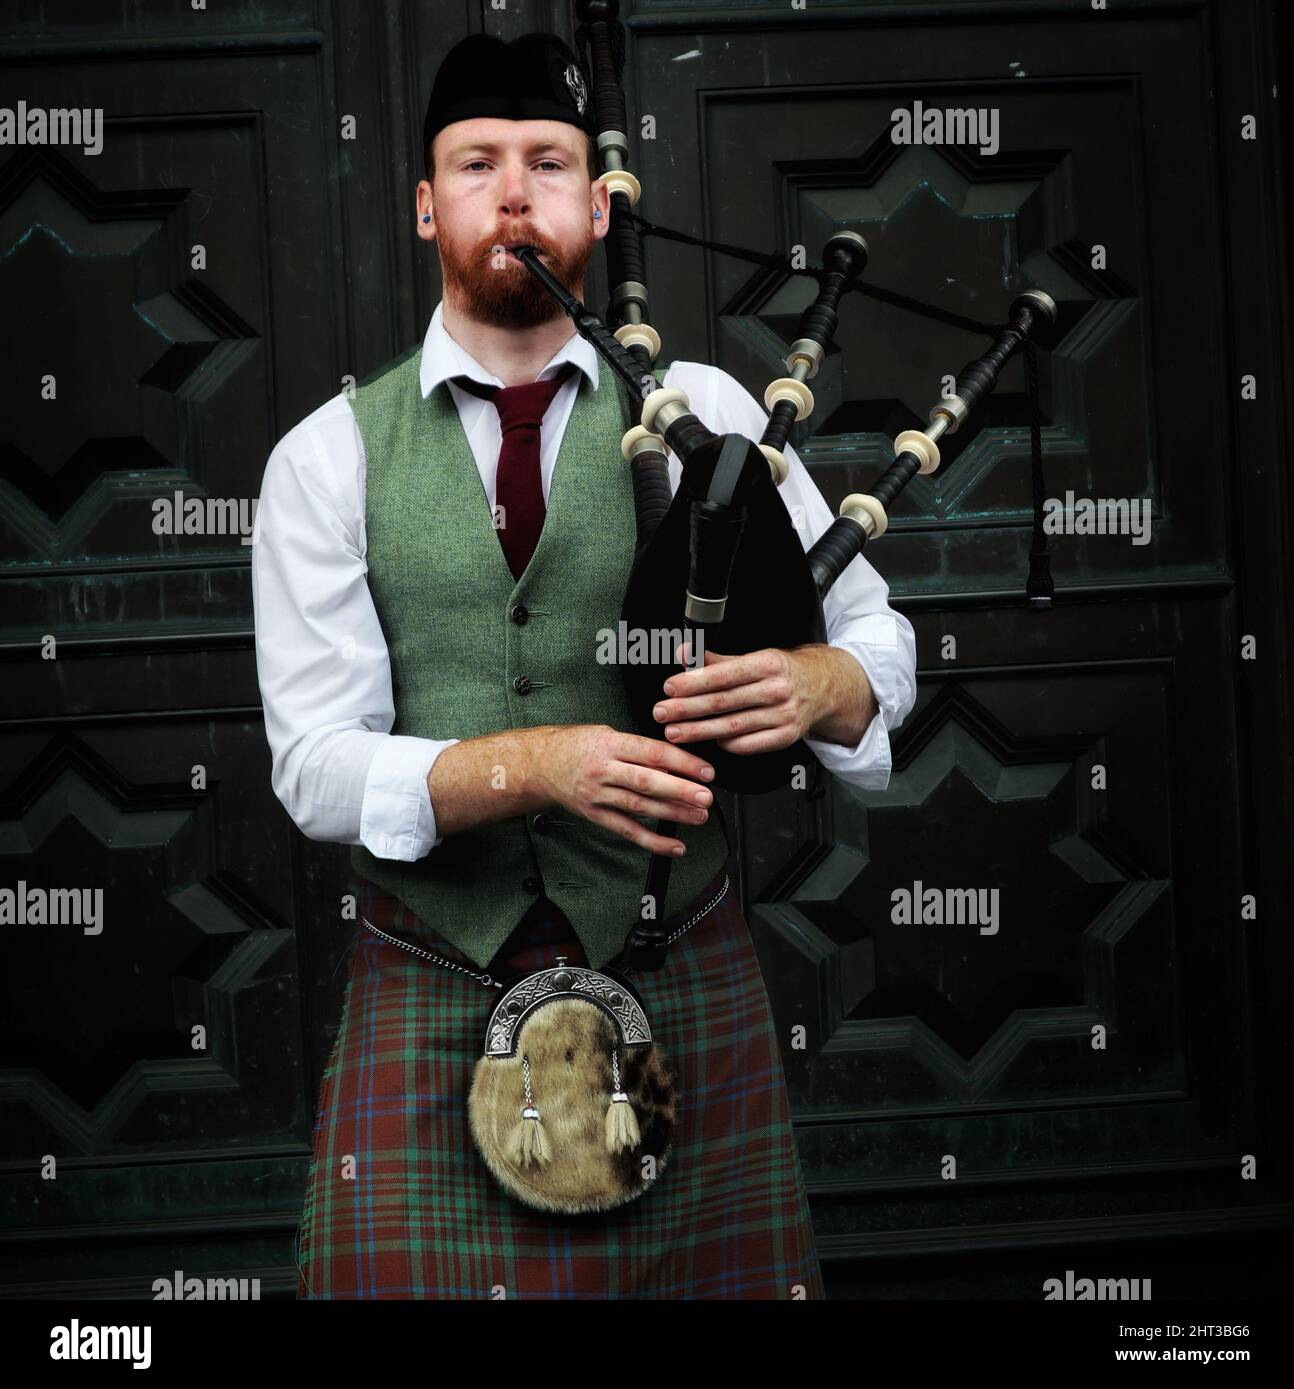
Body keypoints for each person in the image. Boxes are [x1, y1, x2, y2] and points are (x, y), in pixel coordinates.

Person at [252, 28, 917, 1299]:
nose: (513, 193)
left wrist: (822, 684)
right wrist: (535, 766)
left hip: (680, 974)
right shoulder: (325, 457)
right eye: (476, 163)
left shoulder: (713, 412)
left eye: (549, 163)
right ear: (422, 206)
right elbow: (316, 770)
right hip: (437, 985)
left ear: (598, 208)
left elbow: (879, 638)